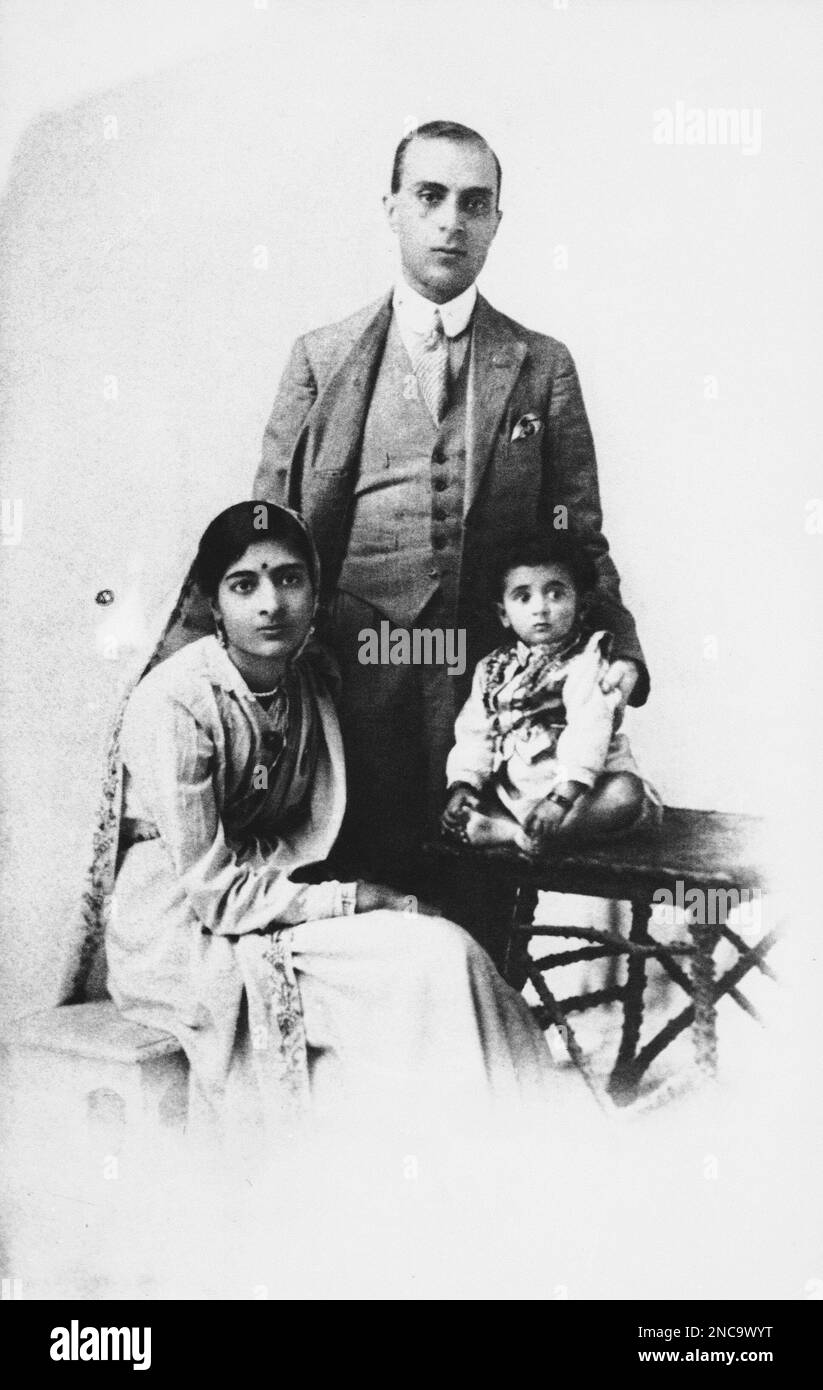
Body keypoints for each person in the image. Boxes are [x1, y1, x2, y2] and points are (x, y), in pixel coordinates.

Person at [252, 119, 649, 941]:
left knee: (477, 905)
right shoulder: (321, 358)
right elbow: (268, 542)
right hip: (355, 678)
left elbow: (578, 537)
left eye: (475, 203)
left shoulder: (540, 365)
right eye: (429, 197)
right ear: (391, 208)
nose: (450, 221)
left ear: (497, 220)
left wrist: (619, 653)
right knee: (358, 898)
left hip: (487, 685)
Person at [69, 502, 553, 1152]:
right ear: (213, 603)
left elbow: (314, 827)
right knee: (424, 963)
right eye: (245, 585)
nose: (271, 604)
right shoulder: (176, 703)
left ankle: (511, 1164)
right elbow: (214, 892)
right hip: (185, 928)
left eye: (289, 580)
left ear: (315, 593)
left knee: (448, 953)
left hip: (273, 899)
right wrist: (360, 900)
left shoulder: (307, 684)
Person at [441, 534, 662, 857]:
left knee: (626, 794)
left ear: (581, 606)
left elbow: (590, 731)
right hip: (519, 790)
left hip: (582, 790)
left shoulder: (588, 659)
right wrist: (464, 785)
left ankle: (529, 836)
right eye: (523, 597)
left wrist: (561, 798)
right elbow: (475, 734)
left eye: (556, 594)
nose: (541, 609)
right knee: (458, 814)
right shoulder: (491, 669)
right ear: (503, 614)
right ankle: (515, 830)